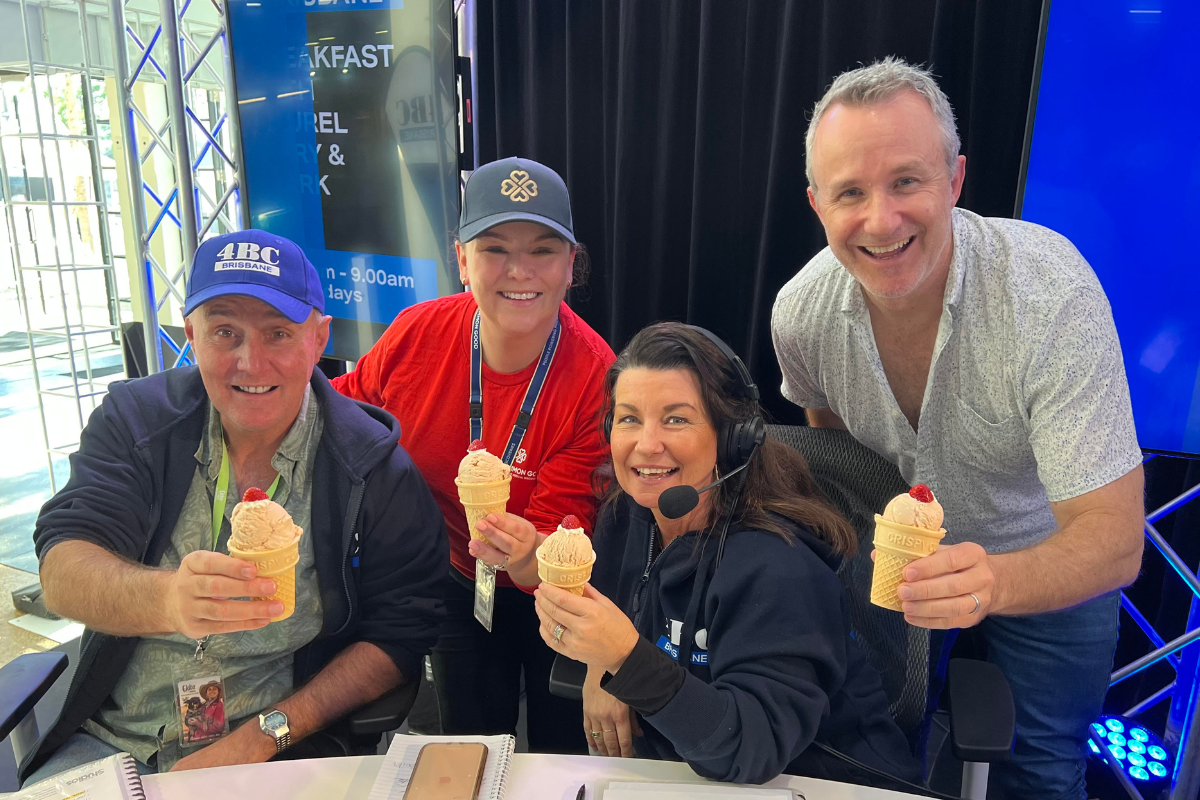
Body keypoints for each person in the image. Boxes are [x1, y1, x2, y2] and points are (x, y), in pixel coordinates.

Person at [771, 57, 1145, 799]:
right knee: (880, 751)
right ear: (817, 204)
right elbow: (838, 450)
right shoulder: (800, 315)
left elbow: (1115, 539)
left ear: (955, 179)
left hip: (1050, 552)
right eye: (851, 192)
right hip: (902, 567)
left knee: (1041, 774)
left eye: (906, 181)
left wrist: (993, 582)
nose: (881, 220)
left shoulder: (1050, 294)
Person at [24, 230, 448, 783]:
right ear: (191, 334)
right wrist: (167, 599)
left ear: (319, 337)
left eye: (279, 333)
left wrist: (264, 737)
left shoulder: (372, 467)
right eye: (225, 332)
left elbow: (400, 633)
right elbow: (64, 568)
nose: (250, 363)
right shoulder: (134, 423)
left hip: (276, 751)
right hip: (109, 745)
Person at [531, 322, 921, 787]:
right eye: (629, 419)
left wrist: (625, 659)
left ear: (732, 436)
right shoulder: (626, 514)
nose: (646, 445)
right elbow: (623, 610)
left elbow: (751, 748)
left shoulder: (778, 568)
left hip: (819, 781)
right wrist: (602, 665)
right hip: (685, 773)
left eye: (676, 419)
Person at [333, 157, 615, 753]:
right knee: (471, 747)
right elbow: (341, 416)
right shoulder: (417, 332)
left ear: (571, 265)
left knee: (560, 753)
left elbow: (560, 545)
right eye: (494, 249)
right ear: (461, 260)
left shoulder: (595, 377)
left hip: (555, 599)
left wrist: (530, 553)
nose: (520, 271)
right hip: (454, 579)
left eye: (543, 250)